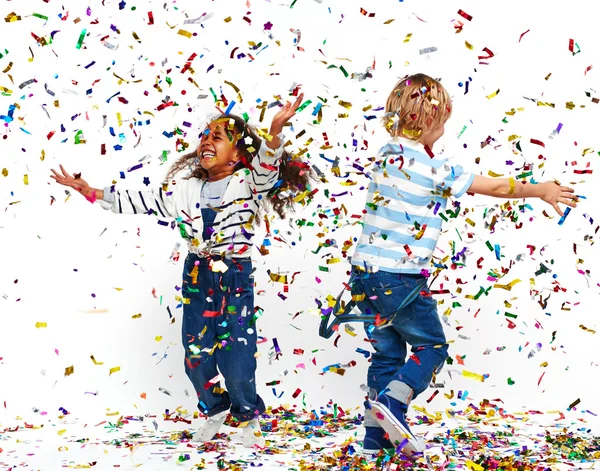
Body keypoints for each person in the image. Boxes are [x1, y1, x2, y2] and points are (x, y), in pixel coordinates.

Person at [50, 94, 313, 448]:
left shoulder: (251, 181)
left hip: (234, 274)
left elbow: (268, 163)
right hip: (196, 274)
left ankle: (248, 414)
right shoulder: (185, 189)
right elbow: (141, 200)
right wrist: (91, 191)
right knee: (195, 352)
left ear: (238, 154)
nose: (206, 141)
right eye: (204, 135)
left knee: (236, 353)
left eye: (218, 137)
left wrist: (276, 131)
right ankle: (215, 409)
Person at [348, 74, 578, 458]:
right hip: (399, 278)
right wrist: (540, 190)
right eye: (443, 121)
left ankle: (374, 440)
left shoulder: (387, 155)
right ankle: (394, 403)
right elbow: (496, 188)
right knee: (431, 346)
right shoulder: (435, 169)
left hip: (362, 277)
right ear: (433, 123)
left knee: (387, 354)